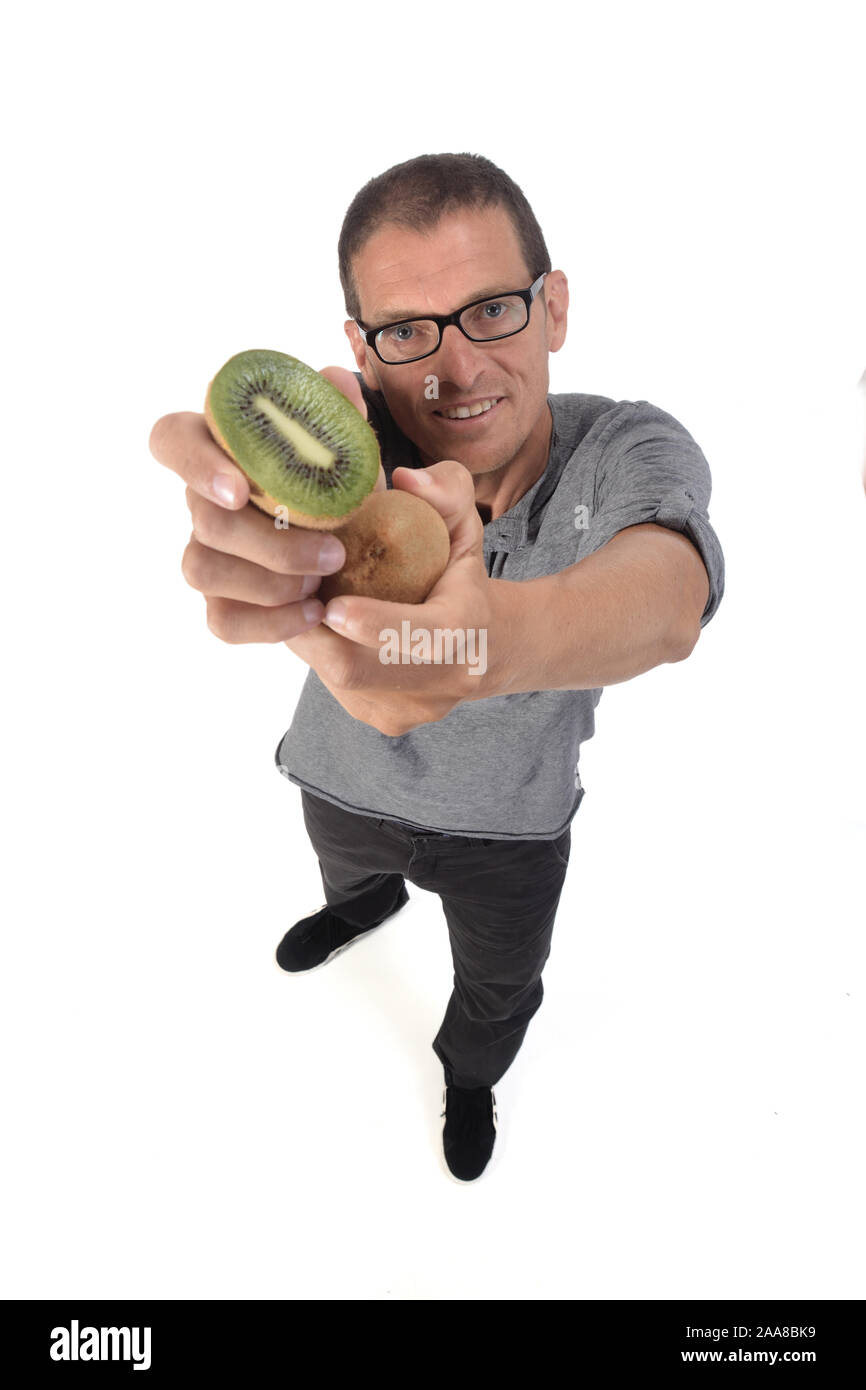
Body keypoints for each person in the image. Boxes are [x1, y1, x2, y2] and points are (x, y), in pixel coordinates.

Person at [149, 152, 726, 1184]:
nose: (454, 373)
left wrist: (480, 647)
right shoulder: (348, 459)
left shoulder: (626, 449)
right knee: (349, 874)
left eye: (491, 310)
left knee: (497, 988)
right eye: (407, 330)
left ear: (552, 307)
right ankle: (362, 907)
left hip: (509, 832)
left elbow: (667, 598)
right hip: (340, 777)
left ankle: (467, 1077)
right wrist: (234, 506)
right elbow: (246, 478)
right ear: (358, 347)